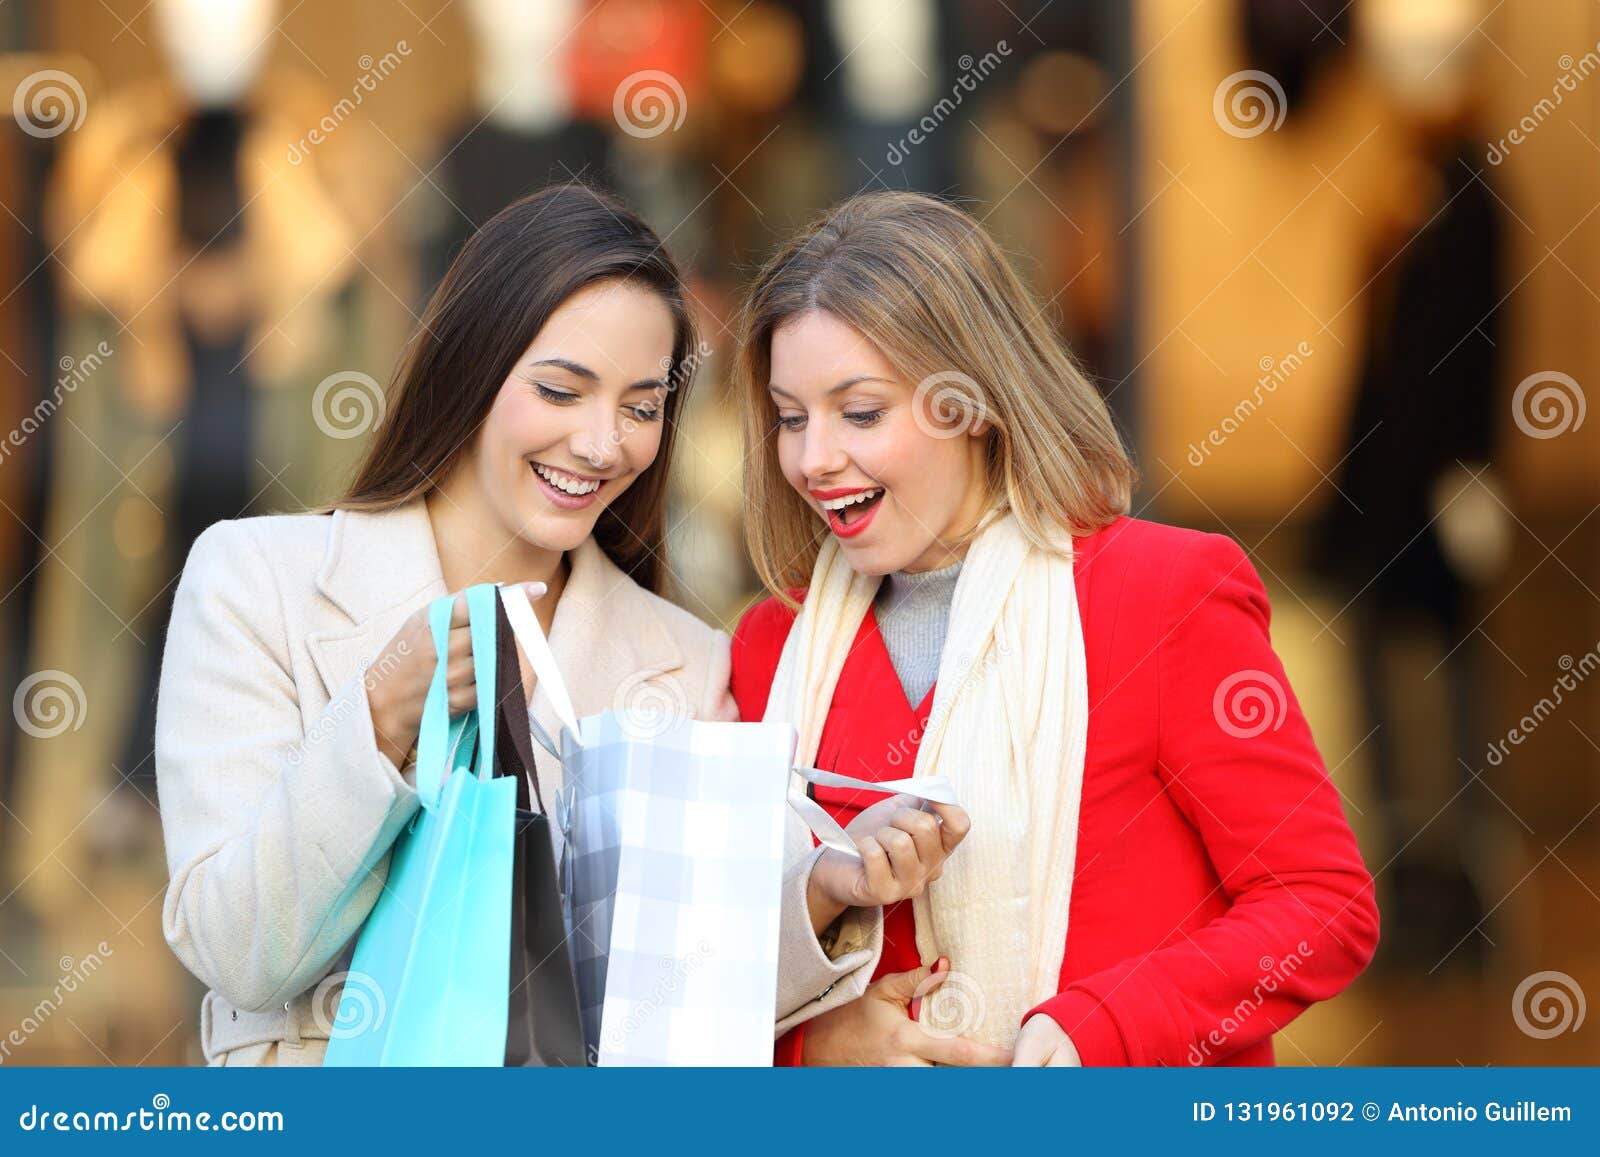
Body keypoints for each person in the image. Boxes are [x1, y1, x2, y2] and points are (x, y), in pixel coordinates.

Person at [155, 184, 959, 1066]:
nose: (602, 442)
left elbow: (667, 1003)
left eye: (642, 407)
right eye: (561, 391)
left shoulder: (685, 664)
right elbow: (236, 952)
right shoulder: (257, 581)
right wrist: (382, 719)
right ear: (471, 367)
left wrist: (820, 886)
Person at [730, 191, 1380, 1066]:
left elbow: (1320, 902)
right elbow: (711, 961)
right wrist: (820, 1044)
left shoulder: (1162, 594)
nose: (813, 459)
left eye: (861, 411)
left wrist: (1104, 1025)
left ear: (973, 403)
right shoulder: (774, 646)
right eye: (790, 416)